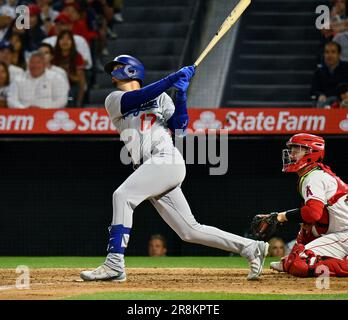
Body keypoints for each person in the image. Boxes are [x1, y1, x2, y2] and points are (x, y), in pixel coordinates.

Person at [80, 55, 269, 282]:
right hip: (149, 168)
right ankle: (250, 247)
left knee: (122, 196)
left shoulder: (161, 98)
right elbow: (138, 97)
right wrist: (171, 79)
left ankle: (114, 264)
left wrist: (181, 94)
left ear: (132, 70)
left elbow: (179, 127)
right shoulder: (114, 99)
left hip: (165, 160)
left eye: (117, 67)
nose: (112, 72)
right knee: (189, 230)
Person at [255, 133, 348, 277]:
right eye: (291, 149)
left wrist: (281, 216)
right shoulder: (315, 173)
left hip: (344, 233)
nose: (291, 154)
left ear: (312, 152)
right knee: (306, 228)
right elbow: (313, 217)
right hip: (340, 231)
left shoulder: (314, 177)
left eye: (297, 149)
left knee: (298, 264)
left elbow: (312, 213)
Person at [52, 30, 86, 107]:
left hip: (71, 86)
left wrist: (66, 73)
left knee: (70, 96)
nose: (65, 41)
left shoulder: (77, 57)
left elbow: (79, 80)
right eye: (62, 38)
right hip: (53, 85)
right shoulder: (53, 56)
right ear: (58, 41)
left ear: (72, 42)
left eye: (68, 39)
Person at [311, 42, 348, 108]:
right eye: (327, 52)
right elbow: (314, 90)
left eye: (333, 52)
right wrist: (320, 95)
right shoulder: (319, 71)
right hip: (326, 102)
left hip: (343, 101)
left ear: (339, 54)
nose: (329, 55)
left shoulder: (346, 68)